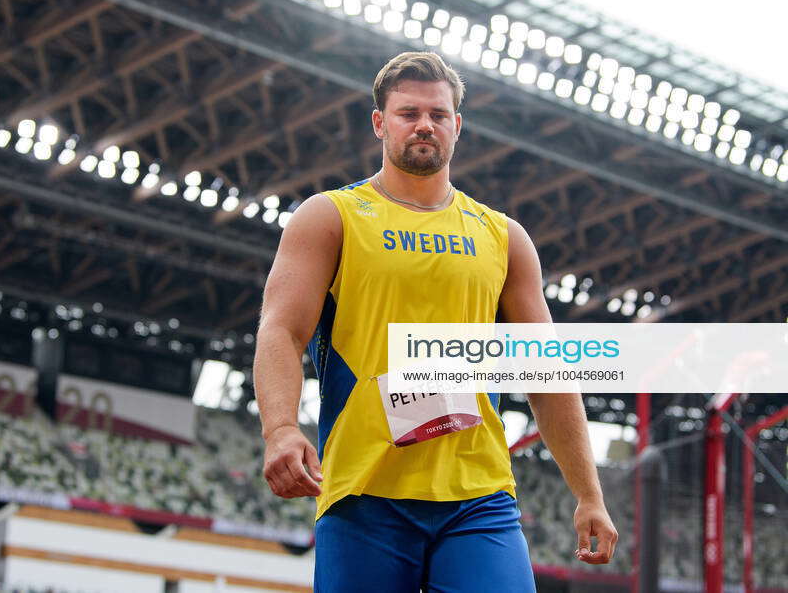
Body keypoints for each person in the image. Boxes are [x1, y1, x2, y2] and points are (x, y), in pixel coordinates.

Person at [254, 52, 618, 592]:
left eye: (438, 114)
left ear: (457, 125)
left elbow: (547, 371)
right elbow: (281, 331)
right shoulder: (331, 217)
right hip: (365, 494)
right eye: (408, 113)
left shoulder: (503, 237)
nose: (424, 124)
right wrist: (281, 428)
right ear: (380, 122)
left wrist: (589, 493)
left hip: (478, 498)